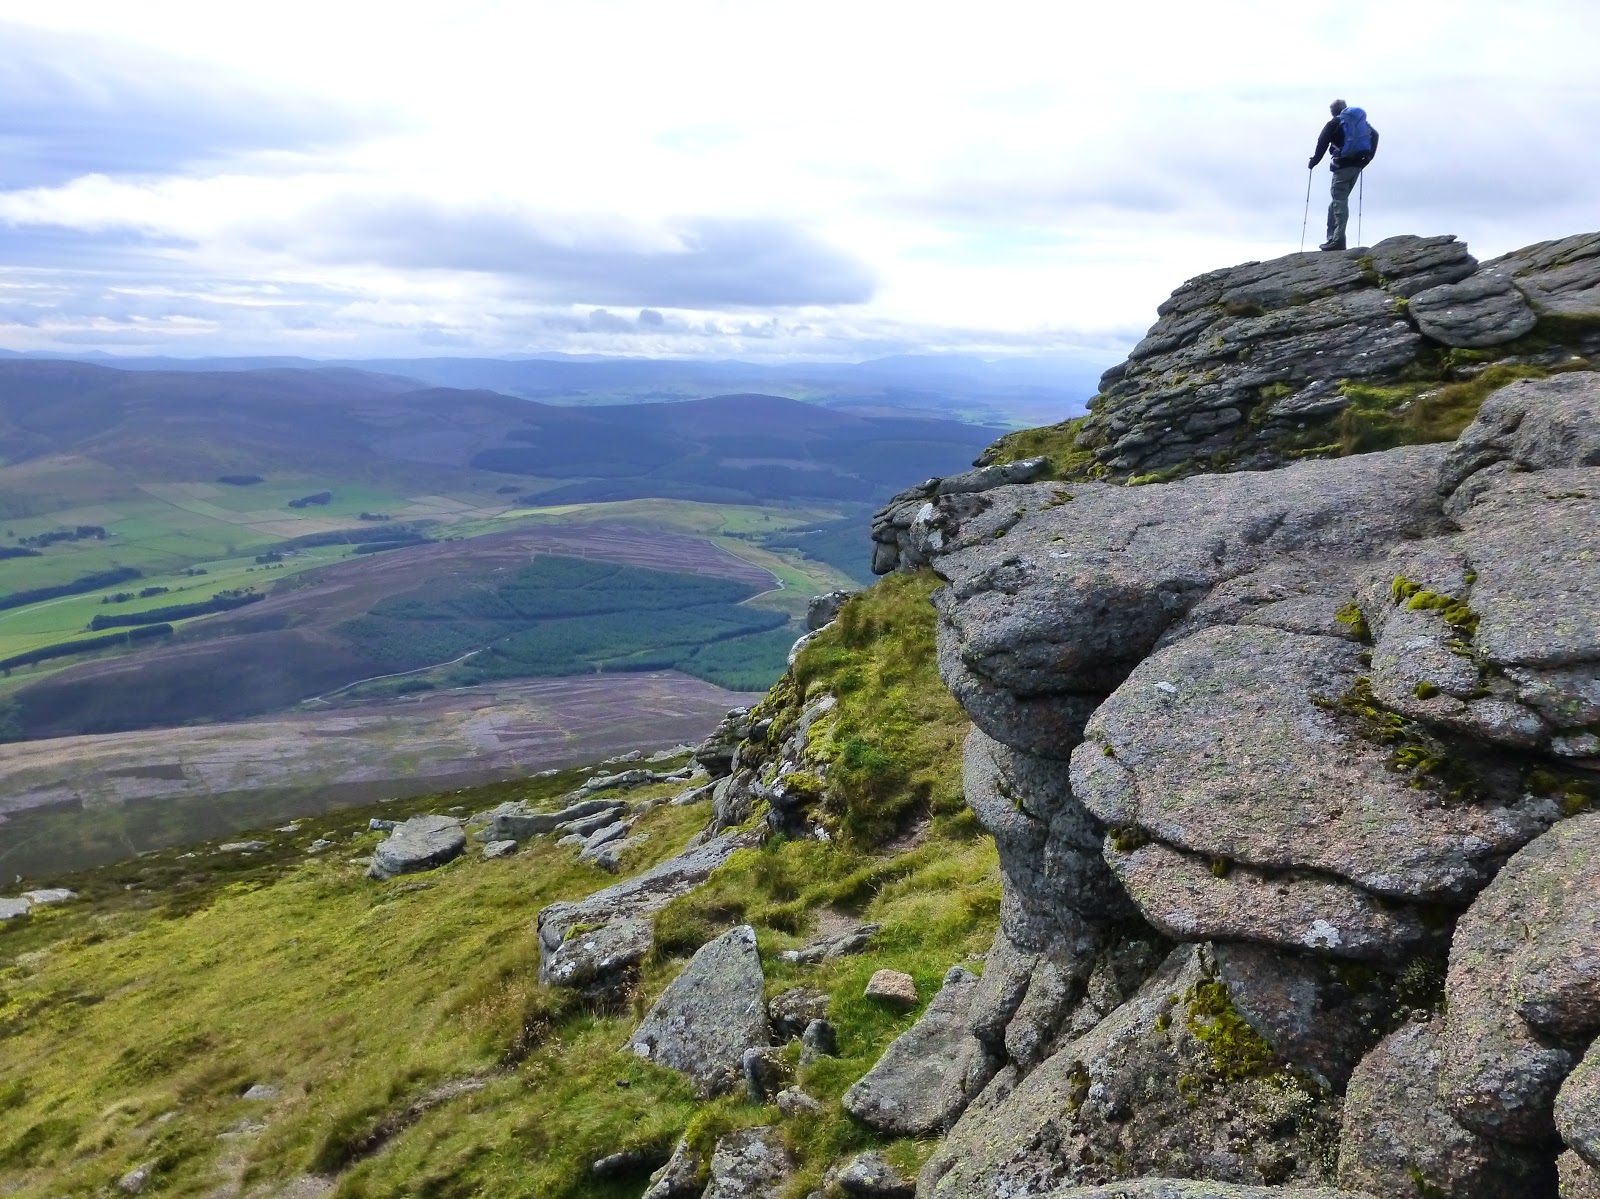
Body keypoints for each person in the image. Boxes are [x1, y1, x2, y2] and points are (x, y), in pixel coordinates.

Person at [1308, 99, 1379, 251]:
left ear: (1333, 112)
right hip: (1356, 166)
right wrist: (1368, 159)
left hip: (1342, 166)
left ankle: (1338, 240)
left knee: (1339, 200)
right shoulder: (1361, 123)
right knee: (1337, 200)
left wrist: (1314, 161)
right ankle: (1332, 237)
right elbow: (1375, 135)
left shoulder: (1334, 123)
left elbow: (1322, 142)